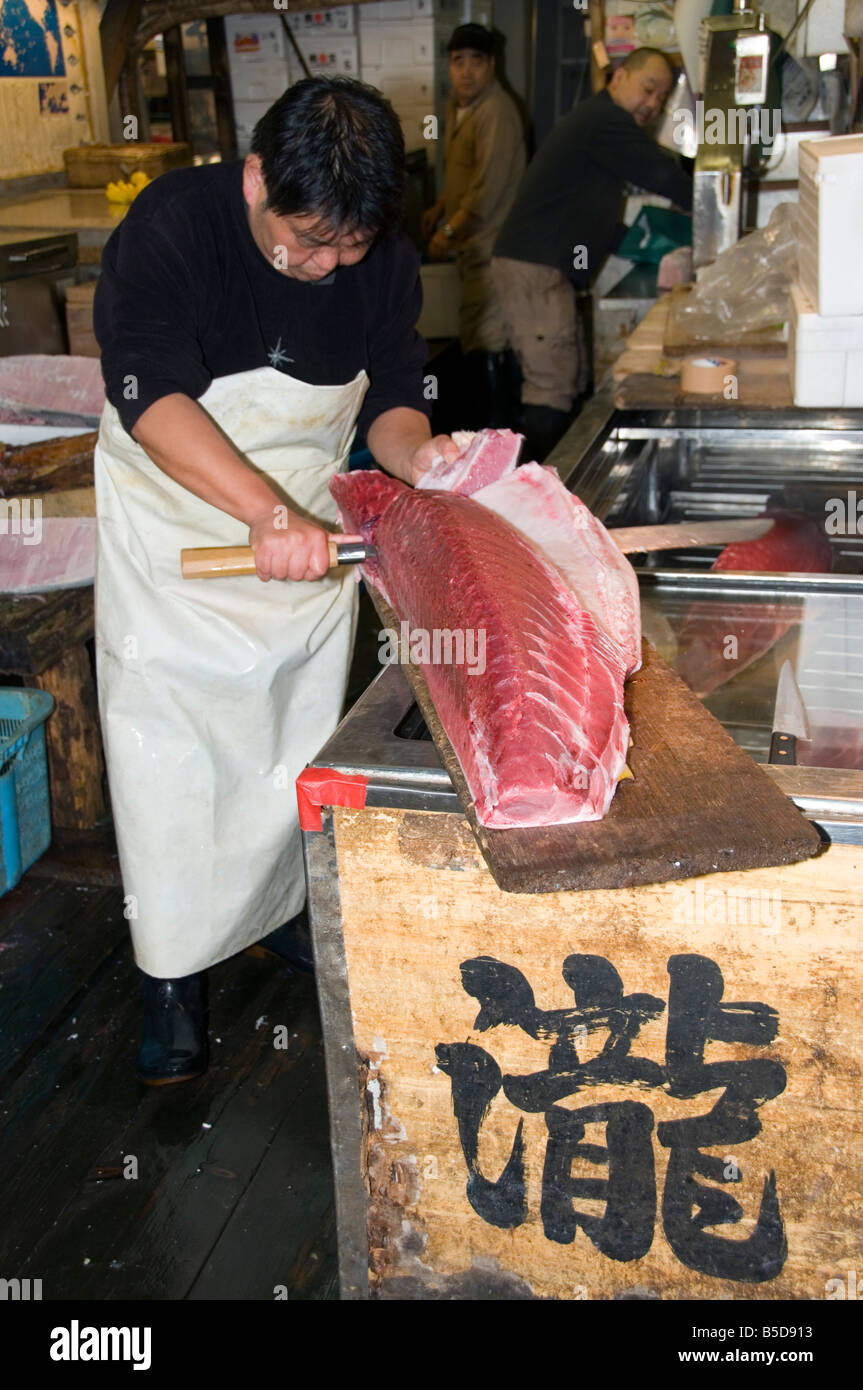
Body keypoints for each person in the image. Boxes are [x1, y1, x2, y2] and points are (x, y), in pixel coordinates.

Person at [93, 76, 459, 1086]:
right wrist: (263, 513)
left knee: (284, 744)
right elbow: (147, 392)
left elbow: (391, 397)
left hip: (303, 538)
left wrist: (423, 462)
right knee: (171, 755)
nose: (324, 264)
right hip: (182, 522)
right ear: (255, 177)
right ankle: (169, 972)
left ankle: (273, 913)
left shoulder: (373, 255)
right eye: (306, 238)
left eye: (347, 246)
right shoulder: (173, 225)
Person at [493, 47, 693, 459]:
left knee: (571, 375)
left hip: (543, 266)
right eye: (648, 89)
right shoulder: (605, 120)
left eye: (661, 98)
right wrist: (706, 193)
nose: (652, 104)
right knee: (552, 385)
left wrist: (639, 239)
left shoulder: (599, 123)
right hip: (535, 267)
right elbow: (659, 172)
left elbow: (589, 203)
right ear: (619, 76)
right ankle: (543, 492)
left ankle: (557, 485)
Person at [421, 22, 525, 426]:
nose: (466, 71)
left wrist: (447, 233)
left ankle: (499, 435)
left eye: (476, 62)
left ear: (492, 65)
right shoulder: (458, 106)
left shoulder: (496, 112)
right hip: (471, 248)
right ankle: (482, 434)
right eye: (457, 61)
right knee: (473, 335)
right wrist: (442, 206)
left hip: (492, 246)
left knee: (489, 339)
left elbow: (485, 192)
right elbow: (462, 173)